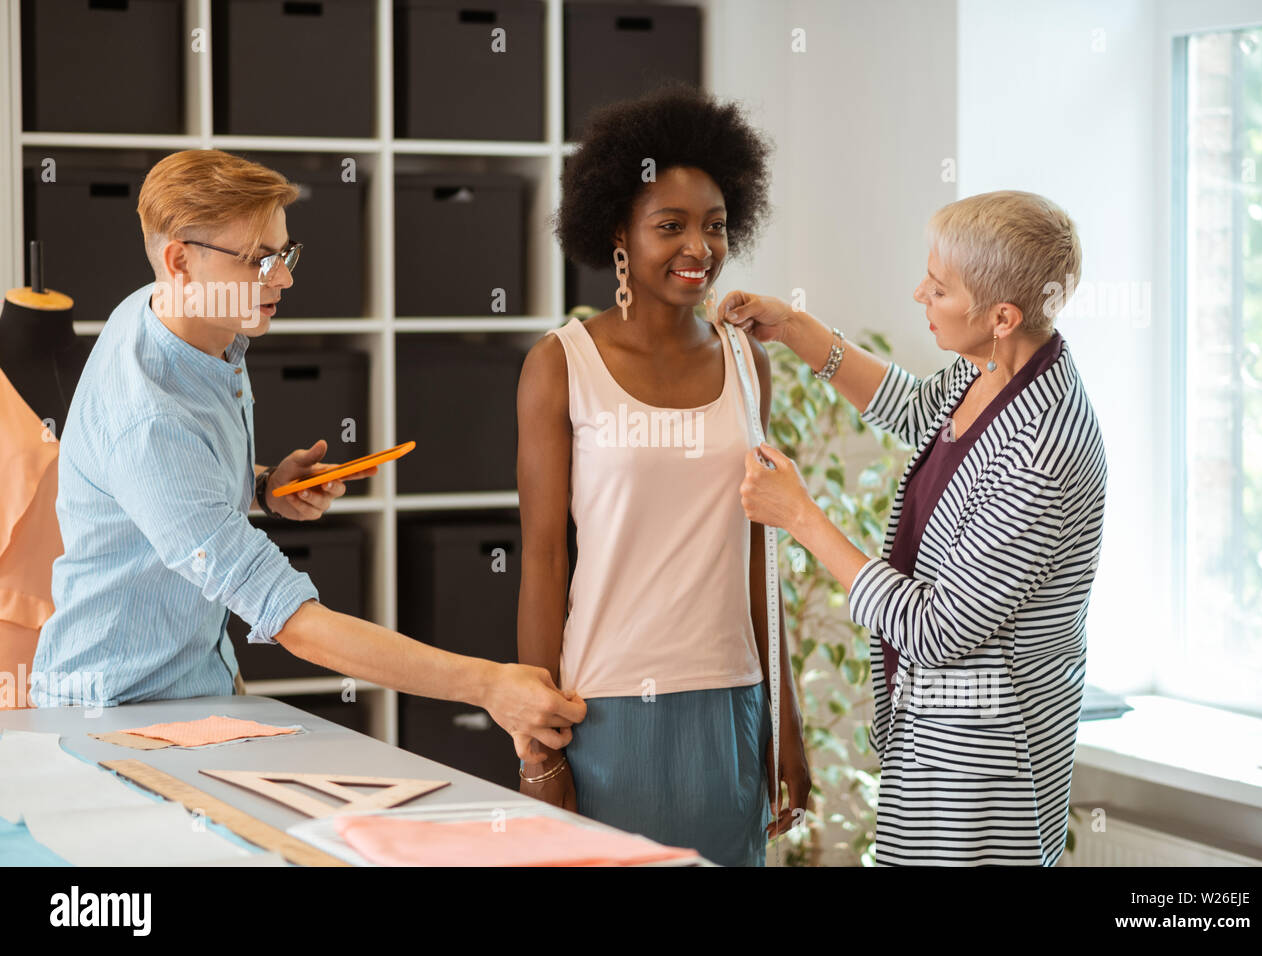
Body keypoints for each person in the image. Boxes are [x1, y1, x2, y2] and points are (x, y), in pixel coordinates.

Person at [31, 149, 584, 759]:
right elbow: (286, 616)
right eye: (260, 260)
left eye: (285, 253)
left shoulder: (176, 315)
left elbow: (170, 493)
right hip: (113, 717)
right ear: (180, 261)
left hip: (191, 693)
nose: (285, 278)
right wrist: (488, 685)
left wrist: (263, 484)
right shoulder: (150, 417)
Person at [725, 190, 1107, 866]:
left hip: (987, 758)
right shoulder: (990, 367)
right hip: (932, 731)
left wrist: (802, 518)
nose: (917, 295)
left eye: (937, 288)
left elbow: (938, 628)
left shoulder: (1044, 448)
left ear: (1002, 315)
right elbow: (913, 408)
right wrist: (793, 328)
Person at [515, 85, 811, 866]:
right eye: (670, 226)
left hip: (730, 700)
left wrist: (785, 718)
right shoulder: (561, 365)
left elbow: (761, 551)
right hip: (605, 706)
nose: (698, 249)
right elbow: (543, 560)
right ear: (618, 231)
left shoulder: (747, 364)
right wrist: (537, 746)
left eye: (714, 227)